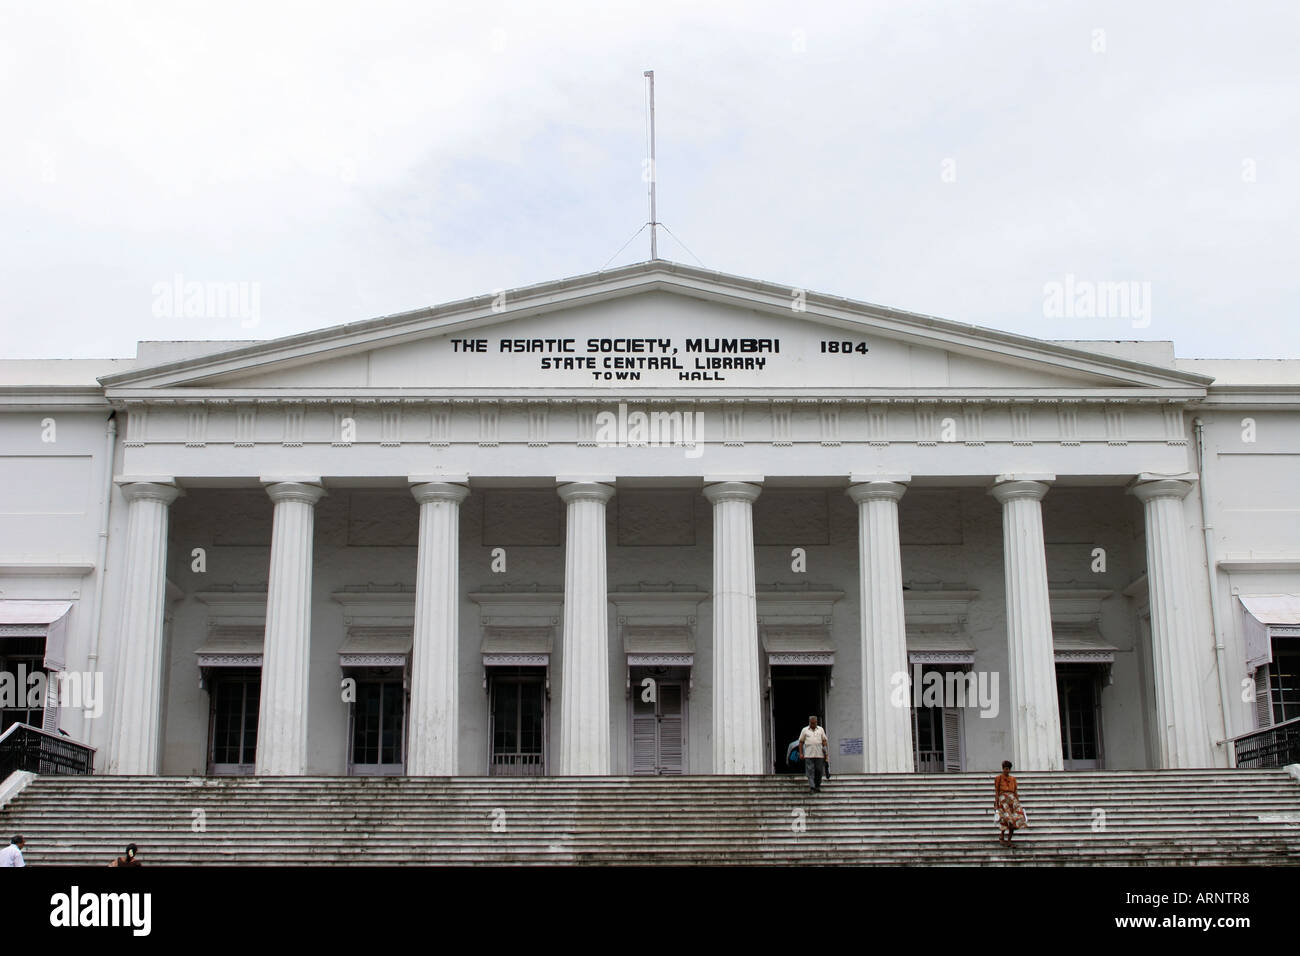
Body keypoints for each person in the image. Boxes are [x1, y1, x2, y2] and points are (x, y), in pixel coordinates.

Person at [995, 760, 1027, 845]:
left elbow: (1015, 791)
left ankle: (1009, 840)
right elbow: (997, 791)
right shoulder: (998, 778)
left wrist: (1018, 803)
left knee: (1015, 818)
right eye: (1005, 769)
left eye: (1008, 769)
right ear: (1003, 769)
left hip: (1012, 800)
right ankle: (1001, 836)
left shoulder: (1013, 779)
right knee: (1005, 818)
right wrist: (996, 803)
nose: (1007, 770)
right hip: (1003, 800)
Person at [797, 715, 830, 793]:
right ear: (809, 723)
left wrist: (826, 752)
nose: (813, 724)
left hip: (819, 754)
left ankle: (817, 786)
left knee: (819, 771)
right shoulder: (805, 730)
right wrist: (801, 753)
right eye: (812, 723)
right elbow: (801, 742)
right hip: (809, 754)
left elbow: (824, 740)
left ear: (816, 722)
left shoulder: (821, 729)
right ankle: (812, 787)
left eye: (815, 723)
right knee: (810, 771)